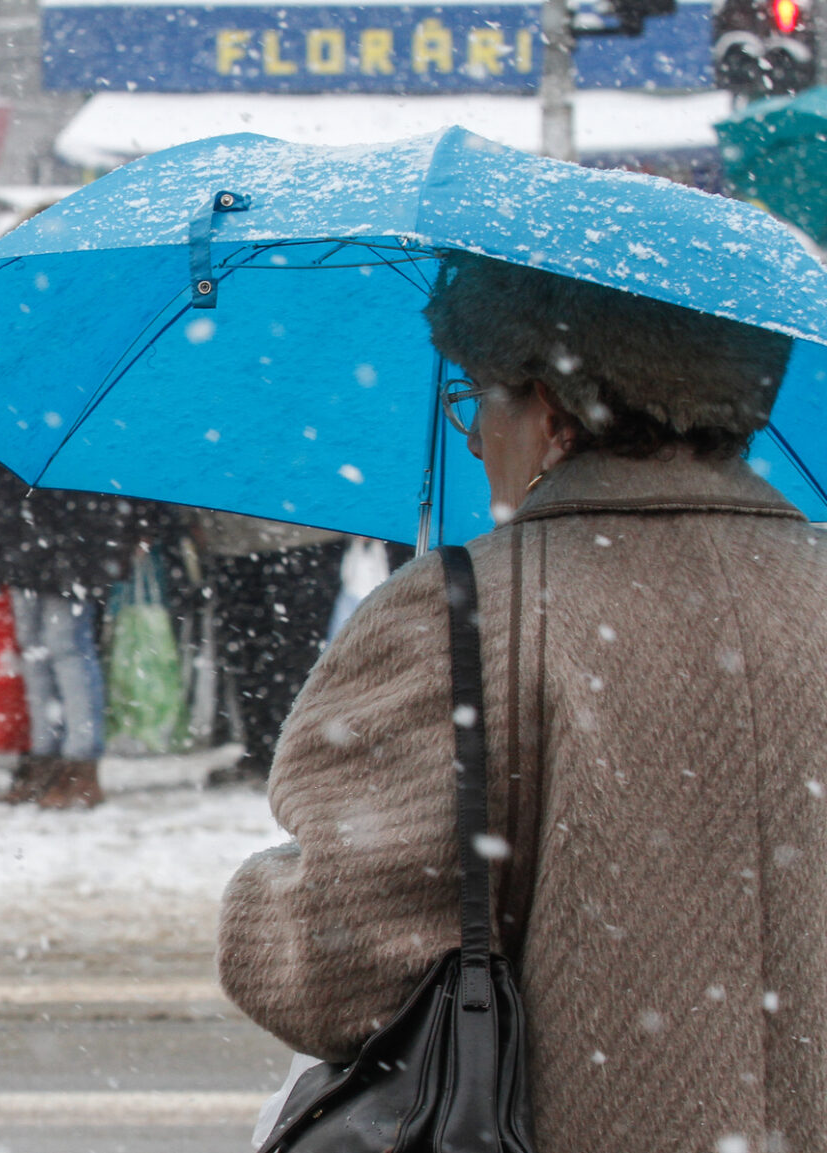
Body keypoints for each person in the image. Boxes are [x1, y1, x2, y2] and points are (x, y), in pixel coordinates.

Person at [216, 252, 825, 1149]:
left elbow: (331, 970)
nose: (469, 436)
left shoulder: (461, 612)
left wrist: (261, 902)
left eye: (476, 397)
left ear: (550, 413)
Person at [0, 448, 145, 809]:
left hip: (71, 535)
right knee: (38, 650)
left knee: (65, 648)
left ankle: (78, 762)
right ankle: (48, 757)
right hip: (31, 532)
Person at [190, 512, 345, 788]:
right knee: (249, 649)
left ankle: (288, 750)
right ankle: (266, 749)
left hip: (305, 529)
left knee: (289, 649)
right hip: (245, 533)